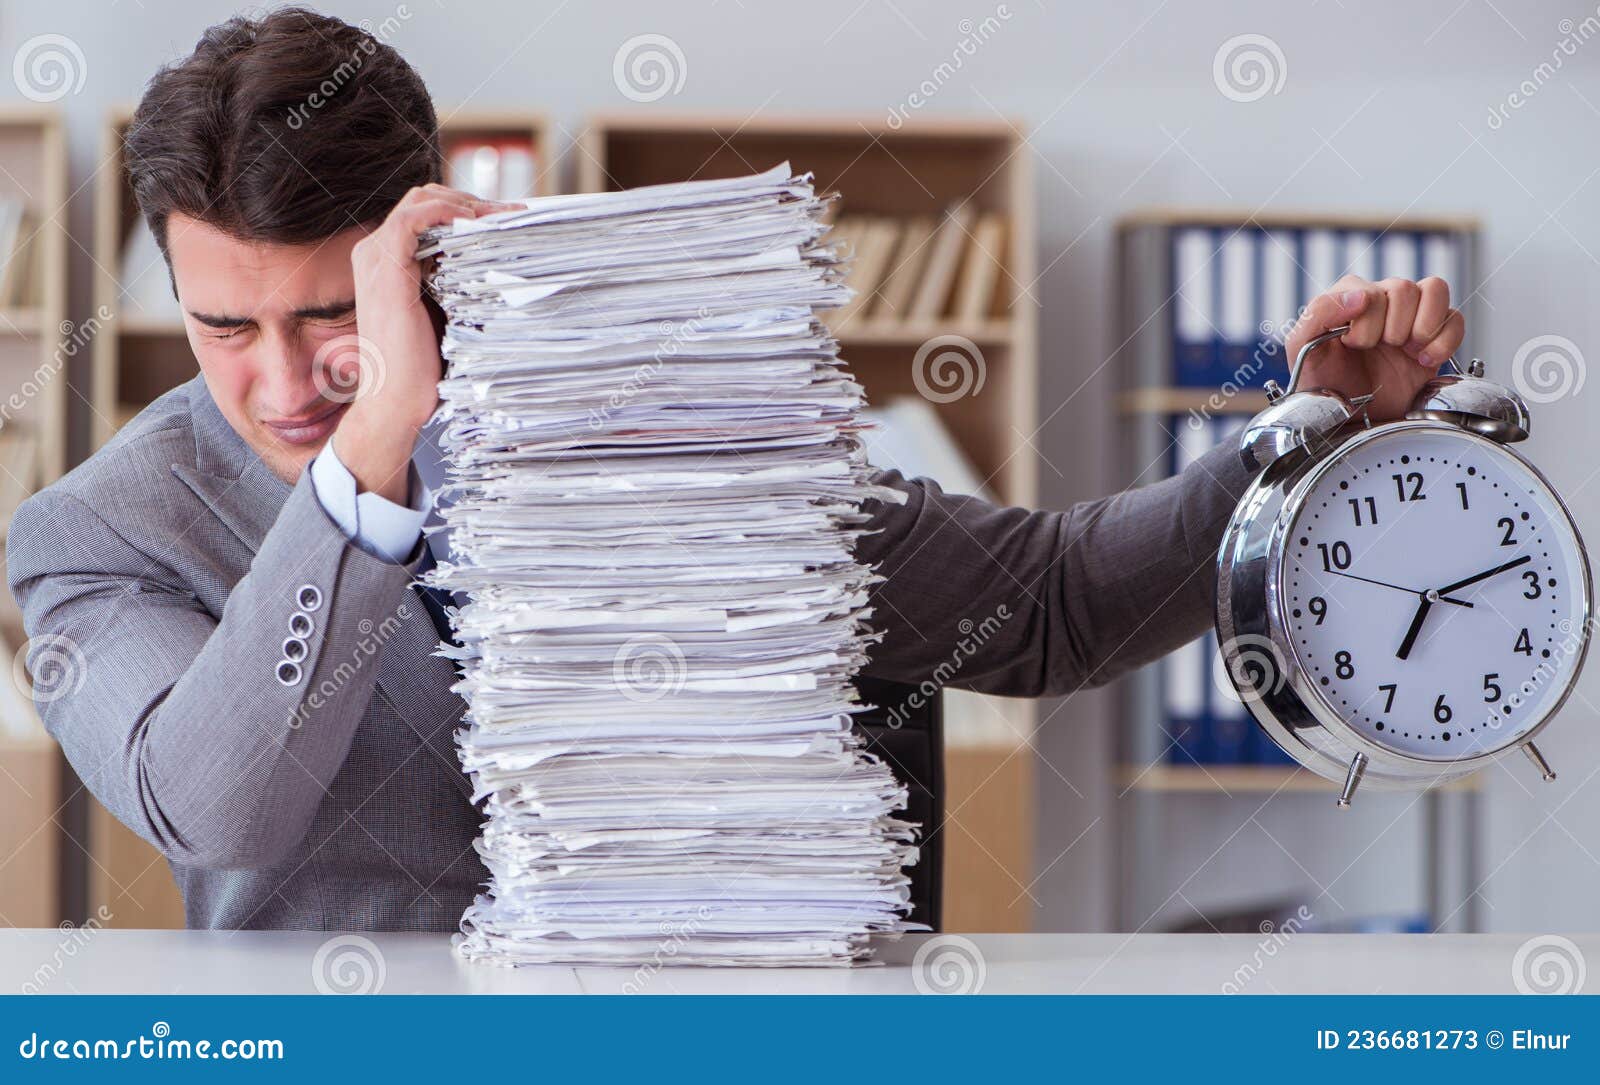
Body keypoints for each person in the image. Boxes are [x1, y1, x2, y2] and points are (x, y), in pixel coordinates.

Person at [5, 8, 1464, 930]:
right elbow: (219, 806)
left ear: (429, 250)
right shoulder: (97, 533)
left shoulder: (658, 427)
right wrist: (379, 434)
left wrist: (1306, 436)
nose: (281, 379)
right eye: (223, 327)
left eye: (334, 312)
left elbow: (1050, 606)